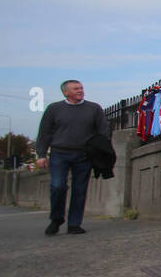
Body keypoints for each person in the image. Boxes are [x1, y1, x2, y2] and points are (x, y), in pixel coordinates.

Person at [35, 80, 109, 235]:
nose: (80, 90)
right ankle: (56, 219)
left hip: (83, 154)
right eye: (76, 89)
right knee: (57, 186)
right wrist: (41, 154)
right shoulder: (54, 109)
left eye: (81, 88)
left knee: (79, 189)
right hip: (59, 153)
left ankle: (75, 223)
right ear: (65, 92)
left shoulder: (94, 108)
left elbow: (103, 131)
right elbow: (44, 133)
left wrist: (100, 151)